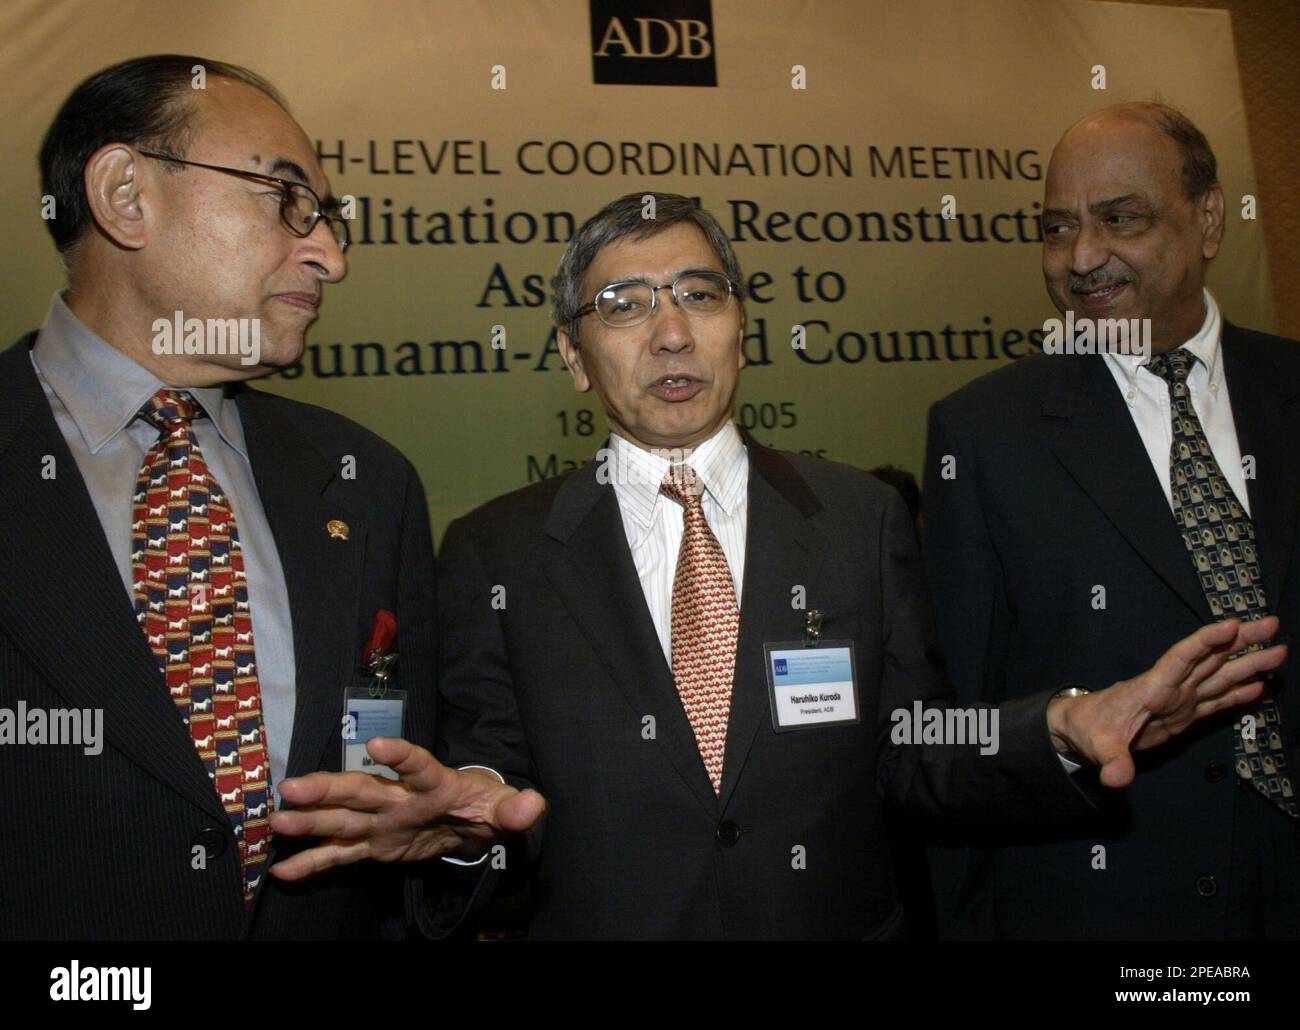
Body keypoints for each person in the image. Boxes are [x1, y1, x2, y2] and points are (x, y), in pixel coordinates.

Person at [429, 191, 1283, 939]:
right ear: (574, 356)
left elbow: (916, 750)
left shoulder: (859, 520)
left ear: (742, 329)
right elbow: (491, 785)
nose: (673, 333)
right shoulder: (494, 552)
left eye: (700, 294)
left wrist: (1055, 728)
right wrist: (467, 826)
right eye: (624, 304)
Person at [0, 54, 536, 940]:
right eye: (287, 200)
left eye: (326, 216)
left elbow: (407, 817)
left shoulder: (366, 483)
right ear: (125, 193)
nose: (329, 252)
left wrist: (455, 840)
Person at [924, 102, 1300, 939]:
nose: (1082, 258)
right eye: (1057, 229)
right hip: (1117, 900)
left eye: (1118, 219)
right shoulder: (984, 435)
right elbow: (954, 728)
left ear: (1209, 221)